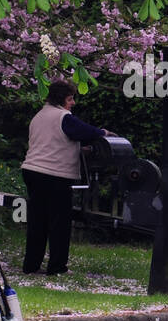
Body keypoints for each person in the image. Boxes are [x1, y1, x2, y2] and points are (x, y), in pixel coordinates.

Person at [20, 81, 109, 275]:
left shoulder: (39, 116)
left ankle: (31, 265)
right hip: (54, 175)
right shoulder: (63, 117)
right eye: (70, 98)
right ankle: (57, 267)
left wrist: (77, 149)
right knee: (59, 222)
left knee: (38, 221)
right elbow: (86, 132)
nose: (73, 103)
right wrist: (103, 133)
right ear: (61, 100)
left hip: (32, 171)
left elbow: (53, 142)